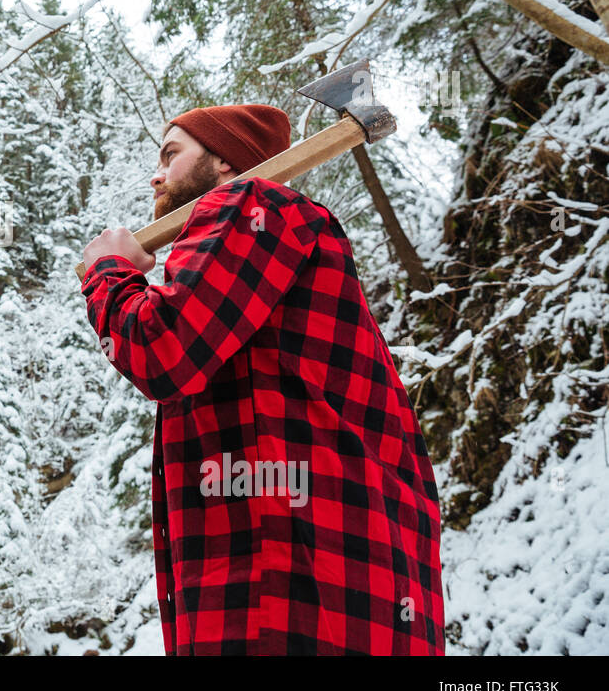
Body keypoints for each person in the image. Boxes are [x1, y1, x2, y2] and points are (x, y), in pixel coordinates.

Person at [80, 102, 444, 655]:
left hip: (295, 587)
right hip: (326, 587)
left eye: (171, 154)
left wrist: (110, 272)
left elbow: (159, 350)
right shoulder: (252, 249)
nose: (156, 174)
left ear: (225, 162)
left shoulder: (257, 206)